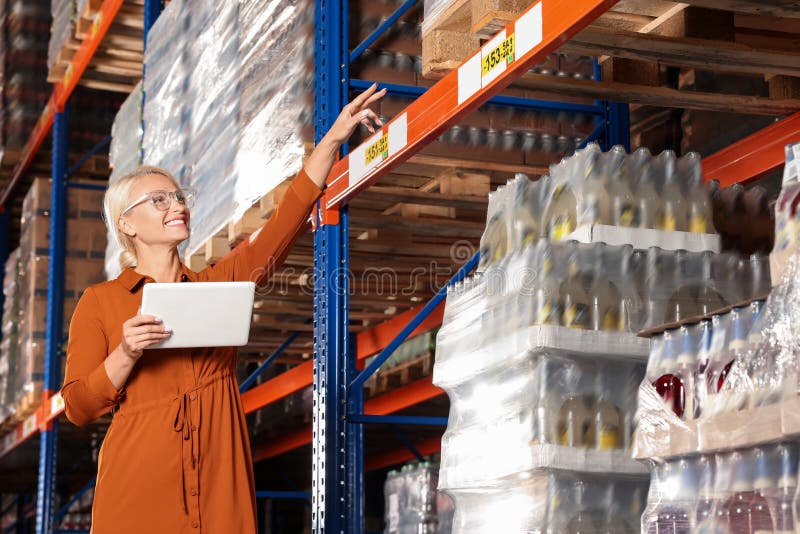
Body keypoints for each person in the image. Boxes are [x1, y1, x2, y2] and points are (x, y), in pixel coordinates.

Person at [62, 84, 387, 533]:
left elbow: (282, 224)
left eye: (178, 197)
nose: (176, 205)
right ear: (126, 224)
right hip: (137, 497)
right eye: (159, 200)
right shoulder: (101, 302)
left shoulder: (218, 284)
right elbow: (77, 407)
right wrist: (126, 353)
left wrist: (332, 140)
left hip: (219, 488)